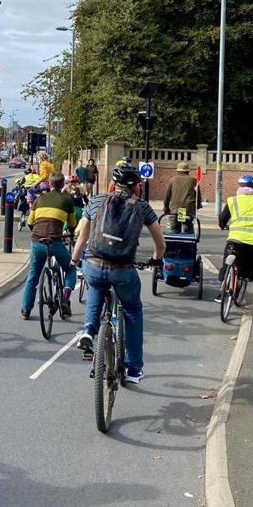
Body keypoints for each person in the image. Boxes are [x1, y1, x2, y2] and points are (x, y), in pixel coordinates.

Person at [71, 163, 165, 383]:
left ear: (113, 184)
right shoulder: (142, 207)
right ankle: (134, 369)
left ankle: (88, 332)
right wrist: (155, 260)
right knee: (133, 310)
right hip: (122, 269)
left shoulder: (95, 202)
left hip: (94, 264)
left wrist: (75, 261)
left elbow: (82, 238)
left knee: (95, 285)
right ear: (137, 187)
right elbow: (160, 244)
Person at [215, 174, 253, 315]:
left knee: (226, 266)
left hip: (235, 241)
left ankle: (220, 295)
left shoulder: (233, 201)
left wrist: (223, 226)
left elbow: (222, 219)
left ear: (239, 186)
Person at [20, 172, 77, 320]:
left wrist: (37, 235)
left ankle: (26, 310)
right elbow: (71, 224)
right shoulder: (67, 199)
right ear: (62, 185)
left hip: (37, 241)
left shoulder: (40, 199)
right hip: (55, 241)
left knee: (33, 276)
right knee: (70, 269)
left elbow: (30, 222)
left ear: (50, 184)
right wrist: (70, 234)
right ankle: (64, 298)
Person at [163, 162, 200, 233]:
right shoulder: (193, 180)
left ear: (178, 171)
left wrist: (166, 207)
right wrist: (198, 204)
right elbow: (198, 194)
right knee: (188, 226)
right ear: (188, 171)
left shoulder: (172, 180)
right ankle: (188, 237)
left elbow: (167, 195)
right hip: (188, 208)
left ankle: (175, 239)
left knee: (174, 229)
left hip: (175, 209)